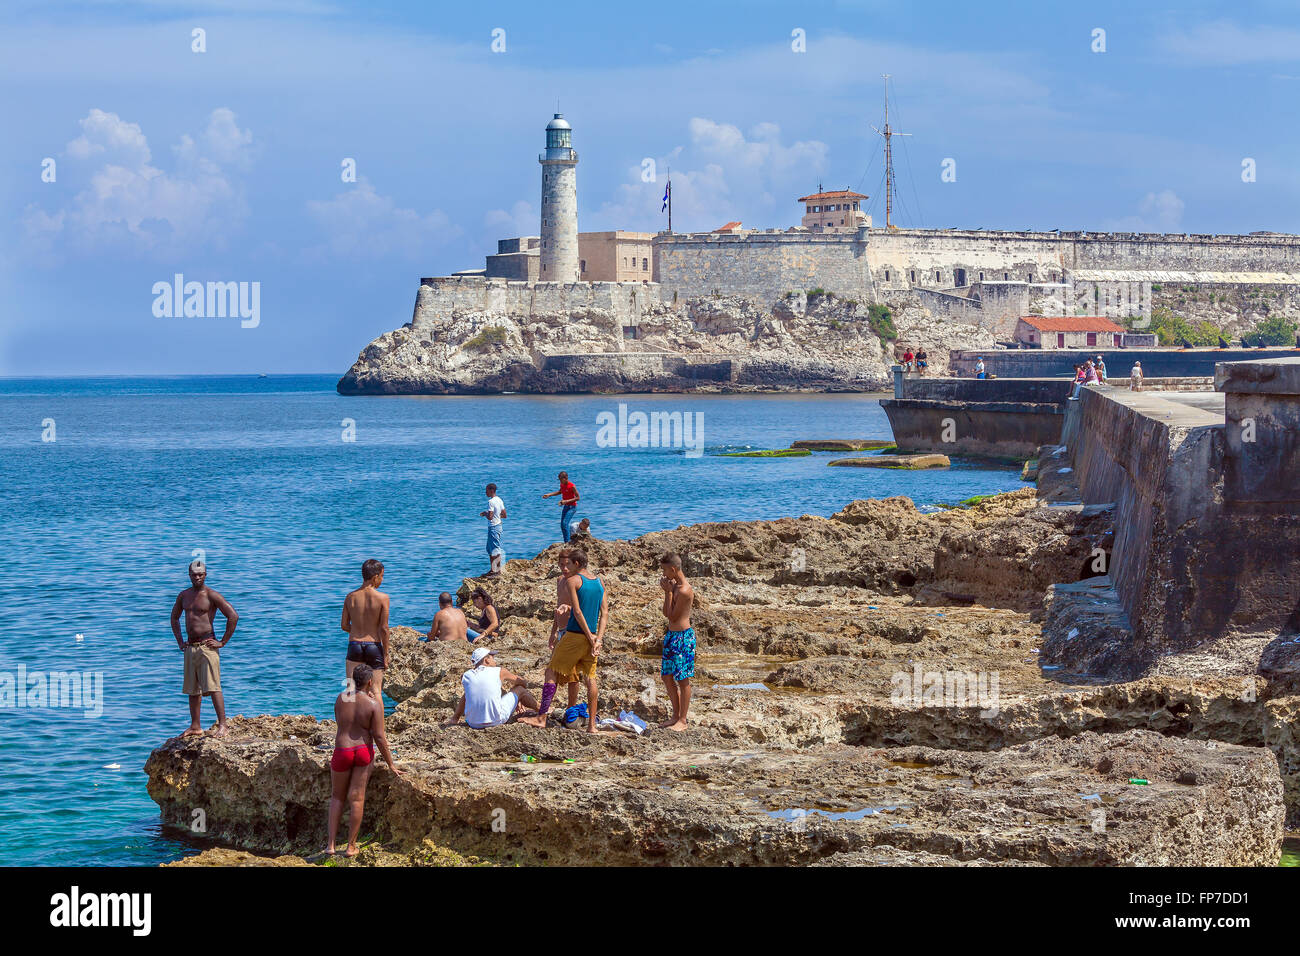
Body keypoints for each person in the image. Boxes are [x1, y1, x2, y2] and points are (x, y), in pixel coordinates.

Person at [519, 548, 606, 732]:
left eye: (568, 564)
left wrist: (588, 636)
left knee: (551, 671)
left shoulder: (573, 580)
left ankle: (541, 717)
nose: (565, 567)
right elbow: (604, 613)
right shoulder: (599, 582)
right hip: (593, 638)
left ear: (576, 563)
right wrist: (597, 638)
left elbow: (578, 611)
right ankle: (592, 727)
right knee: (591, 679)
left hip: (574, 635)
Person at [324, 663, 401, 858]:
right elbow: (379, 736)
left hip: (342, 750)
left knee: (337, 797)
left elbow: (341, 724)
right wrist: (391, 763)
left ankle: (331, 846)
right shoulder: (373, 704)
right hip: (362, 751)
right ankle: (351, 847)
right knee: (357, 798)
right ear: (369, 682)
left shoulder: (340, 699)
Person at [170, 559, 238, 738]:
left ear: (205, 575)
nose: (197, 577)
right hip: (191, 647)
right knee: (192, 689)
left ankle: (223, 725)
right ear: (189, 575)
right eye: (194, 574)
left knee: (214, 686)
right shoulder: (184, 595)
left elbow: (233, 616)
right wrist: (180, 641)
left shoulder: (211, 595)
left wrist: (222, 642)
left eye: (200, 574)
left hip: (207, 645)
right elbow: (174, 618)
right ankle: (195, 726)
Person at [451, 646, 540, 729]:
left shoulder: (466, 675)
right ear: (486, 660)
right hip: (495, 721)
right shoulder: (500, 671)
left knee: (467, 694)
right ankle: (541, 709)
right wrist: (517, 699)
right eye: (492, 657)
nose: (495, 660)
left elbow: (468, 696)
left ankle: (455, 718)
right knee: (519, 689)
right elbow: (522, 682)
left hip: (472, 723)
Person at [657, 552, 696, 732]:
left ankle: (683, 719)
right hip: (671, 636)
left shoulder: (685, 591)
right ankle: (675, 715)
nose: (664, 574)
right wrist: (669, 593)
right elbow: (667, 614)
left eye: (665, 570)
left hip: (683, 638)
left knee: (683, 679)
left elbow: (673, 616)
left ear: (673, 569)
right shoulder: (674, 589)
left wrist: (669, 592)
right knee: (666, 676)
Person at [342, 559, 389, 701]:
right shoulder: (382, 598)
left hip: (354, 645)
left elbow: (344, 625)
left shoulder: (350, 597)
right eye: (382, 576)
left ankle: (350, 722)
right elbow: (384, 629)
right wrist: (386, 654)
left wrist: (357, 631)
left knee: (350, 689)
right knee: (376, 692)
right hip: (374, 646)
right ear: (375, 577)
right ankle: (379, 723)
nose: (382, 579)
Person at [542, 471, 581, 543]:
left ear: (566, 478)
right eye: (559, 480)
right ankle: (567, 541)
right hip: (566, 507)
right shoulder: (562, 485)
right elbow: (560, 492)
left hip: (572, 507)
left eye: (561, 479)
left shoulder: (572, 486)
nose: (560, 481)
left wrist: (566, 501)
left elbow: (578, 498)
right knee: (562, 525)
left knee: (565, 523)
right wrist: (549, 495)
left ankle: (568, 542)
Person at [480, 483, 507, 577]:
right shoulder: (499, 500)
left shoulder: (491, 502)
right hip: (498, 525)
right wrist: (496, 515)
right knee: (490, 549)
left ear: (491, 490)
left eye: (486, 490)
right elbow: (504, 515)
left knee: (495, 549)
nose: (485, 492)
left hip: (493, 527)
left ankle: (497, 571)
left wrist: (485, 513)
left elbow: (490, 517)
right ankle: (493, 570)